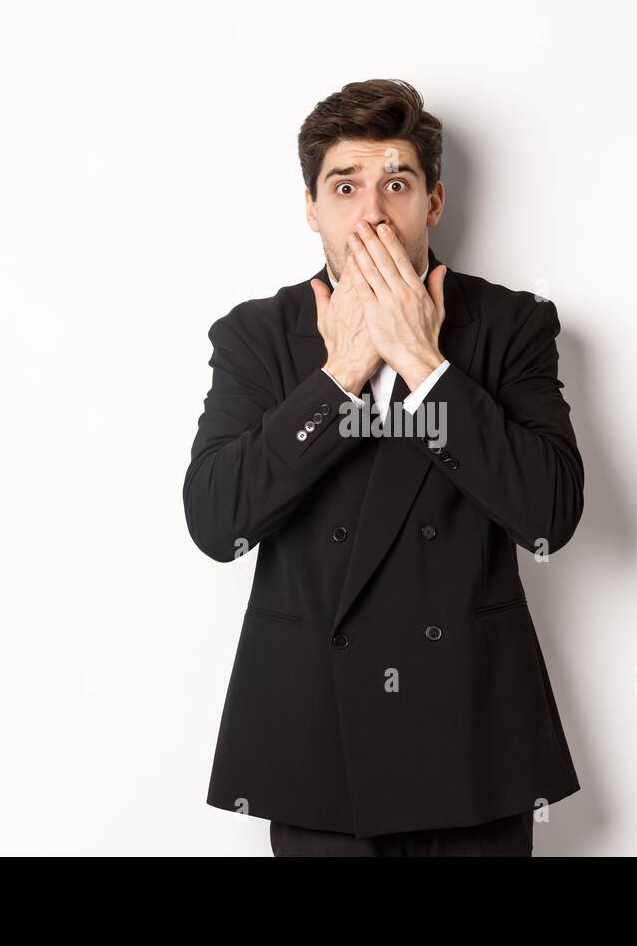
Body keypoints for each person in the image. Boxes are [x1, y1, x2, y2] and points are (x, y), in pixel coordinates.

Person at [183, 79, 584, 856]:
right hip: (315, 743)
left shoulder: (509, 326)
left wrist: (427, 367)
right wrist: (338, 379)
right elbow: (216, 521)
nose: (371, 211)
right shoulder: (256, 337)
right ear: (312, 208)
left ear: (432, 203)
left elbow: (550, 515)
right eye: (345, 186)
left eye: (396, 184)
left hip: (471, 741)